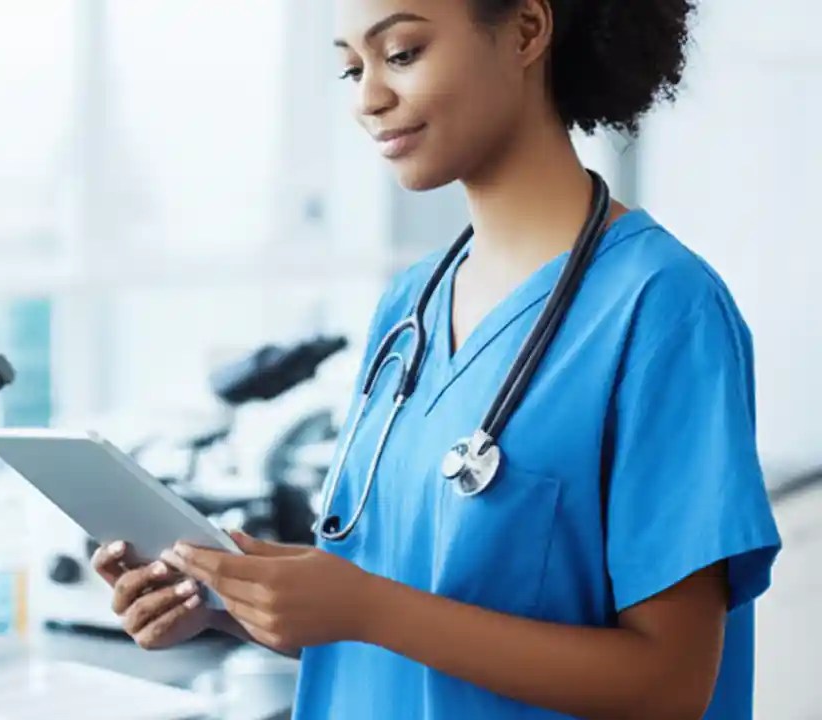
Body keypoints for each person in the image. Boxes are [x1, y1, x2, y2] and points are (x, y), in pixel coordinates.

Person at [92, 0, 783, 717]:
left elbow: (669, 686)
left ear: (525, 30)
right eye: (351, 68)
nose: (368, 99)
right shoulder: (408, 308)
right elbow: (406, 617)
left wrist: (366, 607)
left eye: (401, 54)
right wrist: (229, 607)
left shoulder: (662, 308)